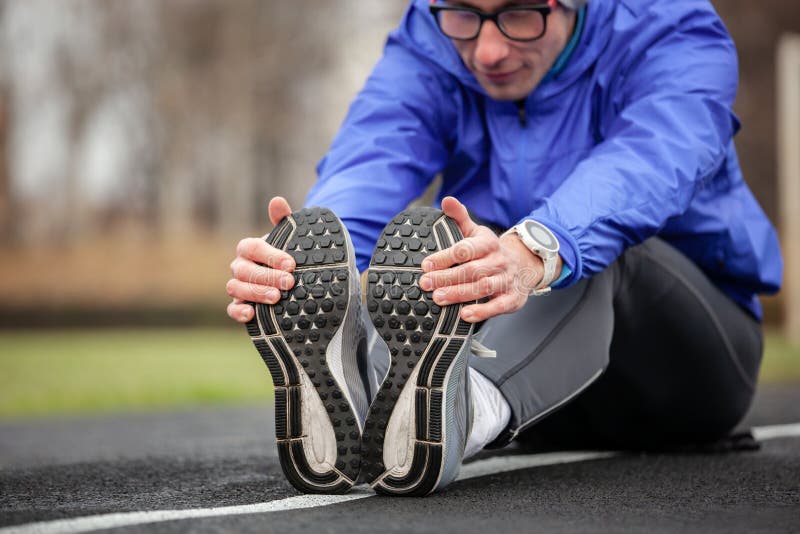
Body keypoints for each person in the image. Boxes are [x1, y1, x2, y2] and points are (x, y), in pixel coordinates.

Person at [225, 0, 783, 496]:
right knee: (437, 247)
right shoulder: (434, 36)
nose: (487, 50)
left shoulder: (673, 27)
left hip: (683, 372)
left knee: (581, 249)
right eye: (465, 15)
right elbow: (377, 149)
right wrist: (302, 264)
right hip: (537, 383)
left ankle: (458, 415)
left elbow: (655, 156)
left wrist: (536, 249)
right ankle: (381, 409)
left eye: (520, 15)